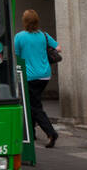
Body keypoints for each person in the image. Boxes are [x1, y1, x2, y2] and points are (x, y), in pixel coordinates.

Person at [13, 9, 59, 148]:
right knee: (32, 102)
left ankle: (51, 133)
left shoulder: (19, 37)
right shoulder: (44, 35)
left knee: (34, 106)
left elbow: (17, 56)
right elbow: (59, 48)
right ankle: (31, 133)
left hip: (30, 76)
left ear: (25, 21)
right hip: (45, 75)